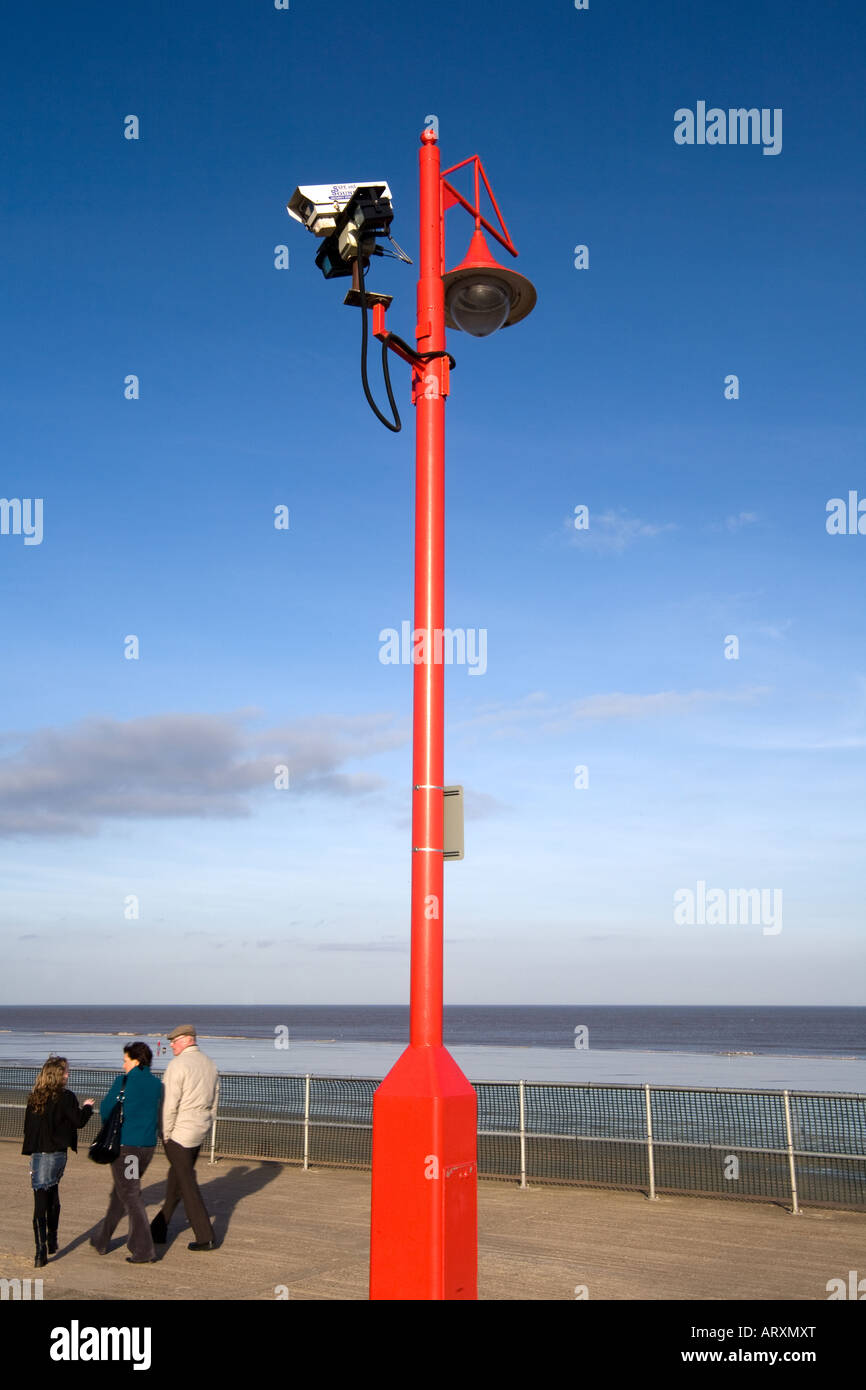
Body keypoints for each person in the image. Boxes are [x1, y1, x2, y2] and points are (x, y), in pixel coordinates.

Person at [90, 1041, 163, 1264]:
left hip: (127, 1148)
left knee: (131, 1195)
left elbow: (105, 1109)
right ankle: (102, 1240)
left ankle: (143, 1249)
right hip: (147, 1147)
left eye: (125, 1060)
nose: (123, 1065)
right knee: (120, 1194)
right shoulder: (157, 1084)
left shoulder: (124, 1082)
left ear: (136, 1060)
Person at [149, 1024, 220, 1251]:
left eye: (175, 1040)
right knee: (177, 1179)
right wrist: (208, 1123)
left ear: (189, 1039)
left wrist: (165, 1132)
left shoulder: (177, 1065)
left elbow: (169, 1103)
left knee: (187, 1184)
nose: (171, 1044)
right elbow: (215, 1098)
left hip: (180, 1132)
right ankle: (158, 1229)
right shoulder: (210, 1064)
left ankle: (205, 1236)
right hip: (199, 1129)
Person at [22, 1056, 95, 1267]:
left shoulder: (35, 1097)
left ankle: (41, 1250)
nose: (68, 1075)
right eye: (65, 1072)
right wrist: (88, 1107)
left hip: (39, 1154)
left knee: (41, 1199)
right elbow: (79, 1121)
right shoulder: (65, 1097)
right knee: (51, 1194)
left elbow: (28, 1129)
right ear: (56, 1075)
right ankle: (49, 1240)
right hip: (55, 1154)